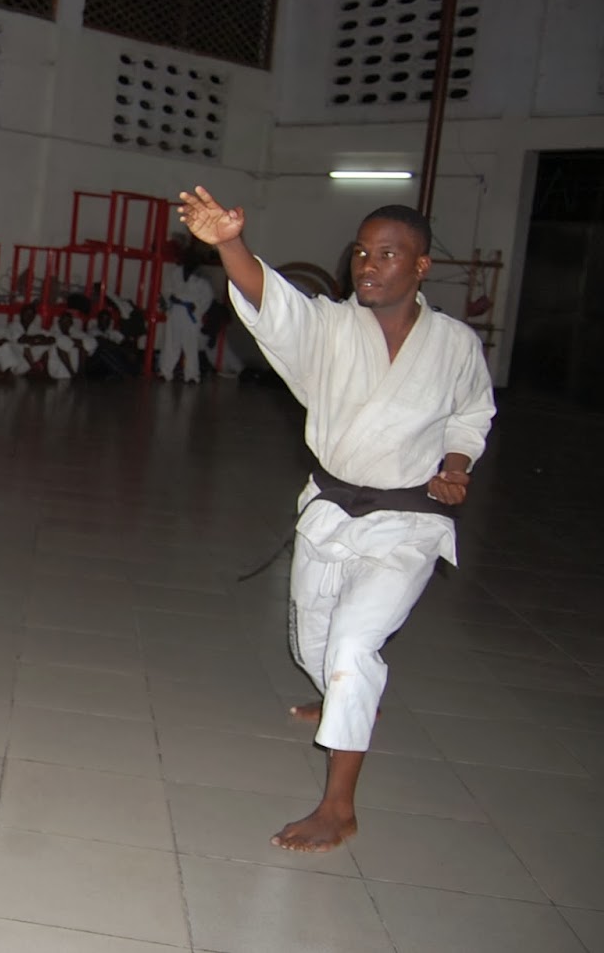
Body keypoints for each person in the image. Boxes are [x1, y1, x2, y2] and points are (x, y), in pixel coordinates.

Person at [178, 185, 494, 853]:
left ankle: (339, 806)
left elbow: (471, 412)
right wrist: (230, 243)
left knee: (352, 644)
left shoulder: (455, 344)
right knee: (313, 649)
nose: (369, 266)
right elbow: (273, 304)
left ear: (421, 267)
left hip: (407, 521)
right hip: (329, 511)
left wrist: (457, 463)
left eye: (388, 254)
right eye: (361, 253)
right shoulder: (327, 328)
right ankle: (342, 696)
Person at [157, 238, 215, 383]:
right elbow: (166, 289)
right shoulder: (175, 273)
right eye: (189, 258)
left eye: (194, 259)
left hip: (191, 315)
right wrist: (168, 301)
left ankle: (192, 375)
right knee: (171, 343)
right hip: (175, 310)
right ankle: (166, 372)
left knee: (190, 347)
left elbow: (207, 298)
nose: (191, 261)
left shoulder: (202, 280)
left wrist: (197, 309)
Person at [11, 303, 70, 380]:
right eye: (27, 314)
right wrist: (38, 339)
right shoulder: (13, 326)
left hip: (31, 360)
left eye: (31, 314)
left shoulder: (35, 328)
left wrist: (36, 341)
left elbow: (52, 338)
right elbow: (23, 339)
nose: (29, 316)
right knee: (25, 345)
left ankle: (48, 372)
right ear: (21, 314)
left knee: (52, 345)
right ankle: (34, 370)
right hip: (18, 363)